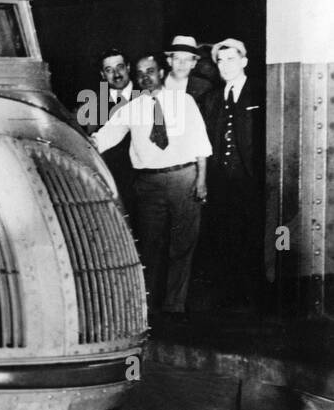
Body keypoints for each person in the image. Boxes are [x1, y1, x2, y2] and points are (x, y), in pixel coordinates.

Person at [91, 53, 213, 322]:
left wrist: (201, 180)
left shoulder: (184, 101)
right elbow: (104, 138)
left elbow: (201, 144)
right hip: (148, 184)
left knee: (182, 246)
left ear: (160, 73)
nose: (146, 77)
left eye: (151, 71)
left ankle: (174, 307)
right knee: (150, 245)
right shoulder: (130, 108)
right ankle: (147, 308)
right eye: (140, 73)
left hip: (184, 178)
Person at [201, 37, 266, 309]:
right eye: (220, 60)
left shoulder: (259, 94)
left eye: (231, 59)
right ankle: (228, 300)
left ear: (244, 61)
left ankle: (251, 298)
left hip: (250, 183)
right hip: (220, 184)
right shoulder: (212, 99)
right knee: (223, 239)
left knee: (250, 239)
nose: (225, 65)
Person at [90, 48, 136, 222]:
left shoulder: (146, 96)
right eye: (109, 70)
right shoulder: (93, 103)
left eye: (120, 67)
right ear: (102, 74)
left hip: (140, 185)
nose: (116, 74)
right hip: (106, 184)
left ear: (128, 68)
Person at [163, 34, 212, 104]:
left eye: (187, 59)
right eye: (177, 58)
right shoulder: (156, 83)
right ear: (169, 61)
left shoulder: (203, 88)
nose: (182, 63)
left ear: (193, 63)